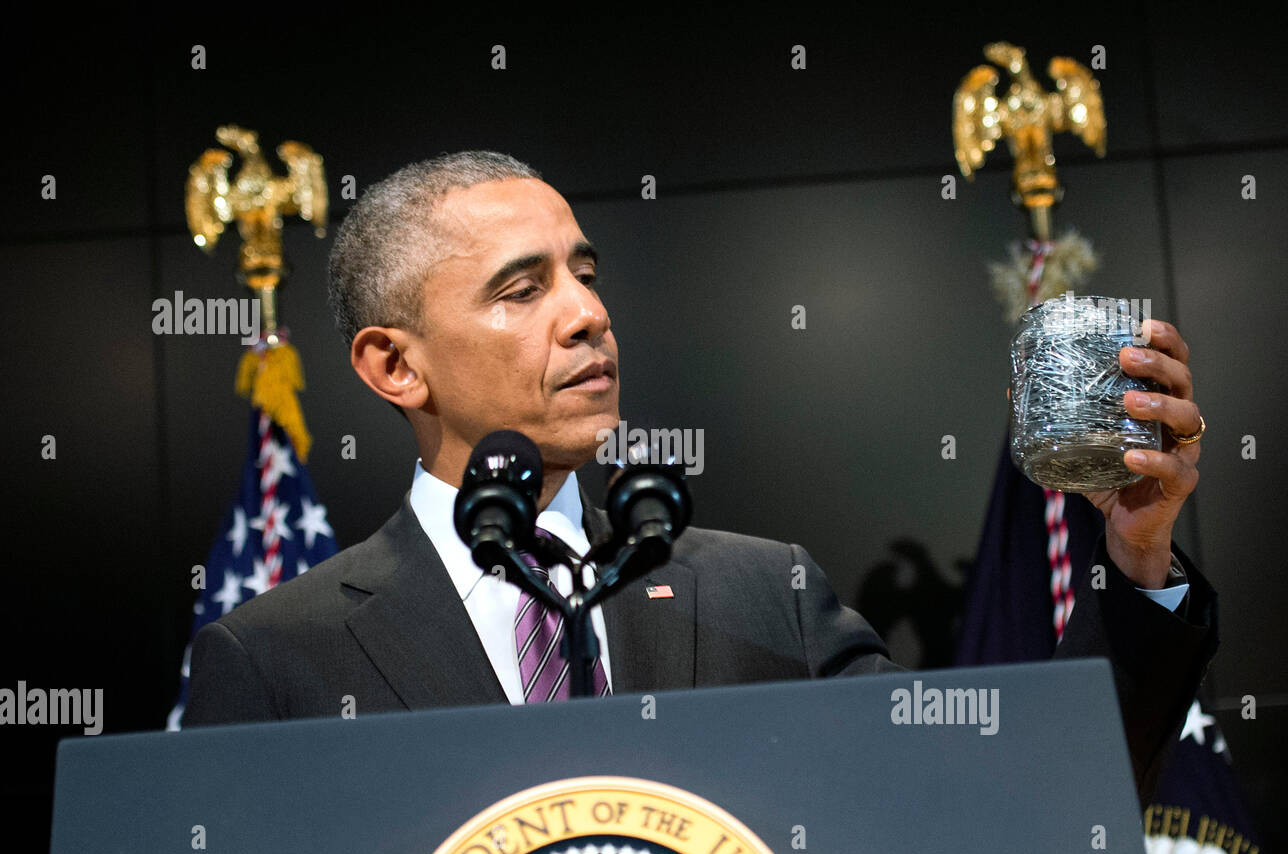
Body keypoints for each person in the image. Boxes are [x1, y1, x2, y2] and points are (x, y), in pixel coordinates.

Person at [183, 151, 1218, 806]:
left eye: (586, 274)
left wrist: (1135, 556)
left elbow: (1012, 798)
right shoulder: (278, 657)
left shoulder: (763, 595)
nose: (588, 313)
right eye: (522, 289)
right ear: (394, 365)